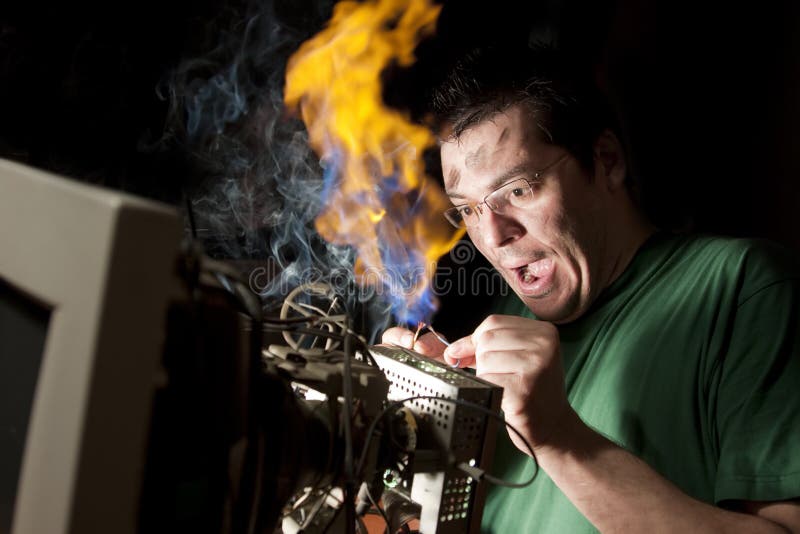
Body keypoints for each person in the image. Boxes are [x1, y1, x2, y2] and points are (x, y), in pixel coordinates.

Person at [382, 45, 800, 532]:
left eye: (517, 190)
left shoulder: (744, 289)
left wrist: (559, 436)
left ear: (606, 161)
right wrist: (431, 427)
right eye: (470, 210)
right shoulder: (509, 318)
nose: (493, 236)